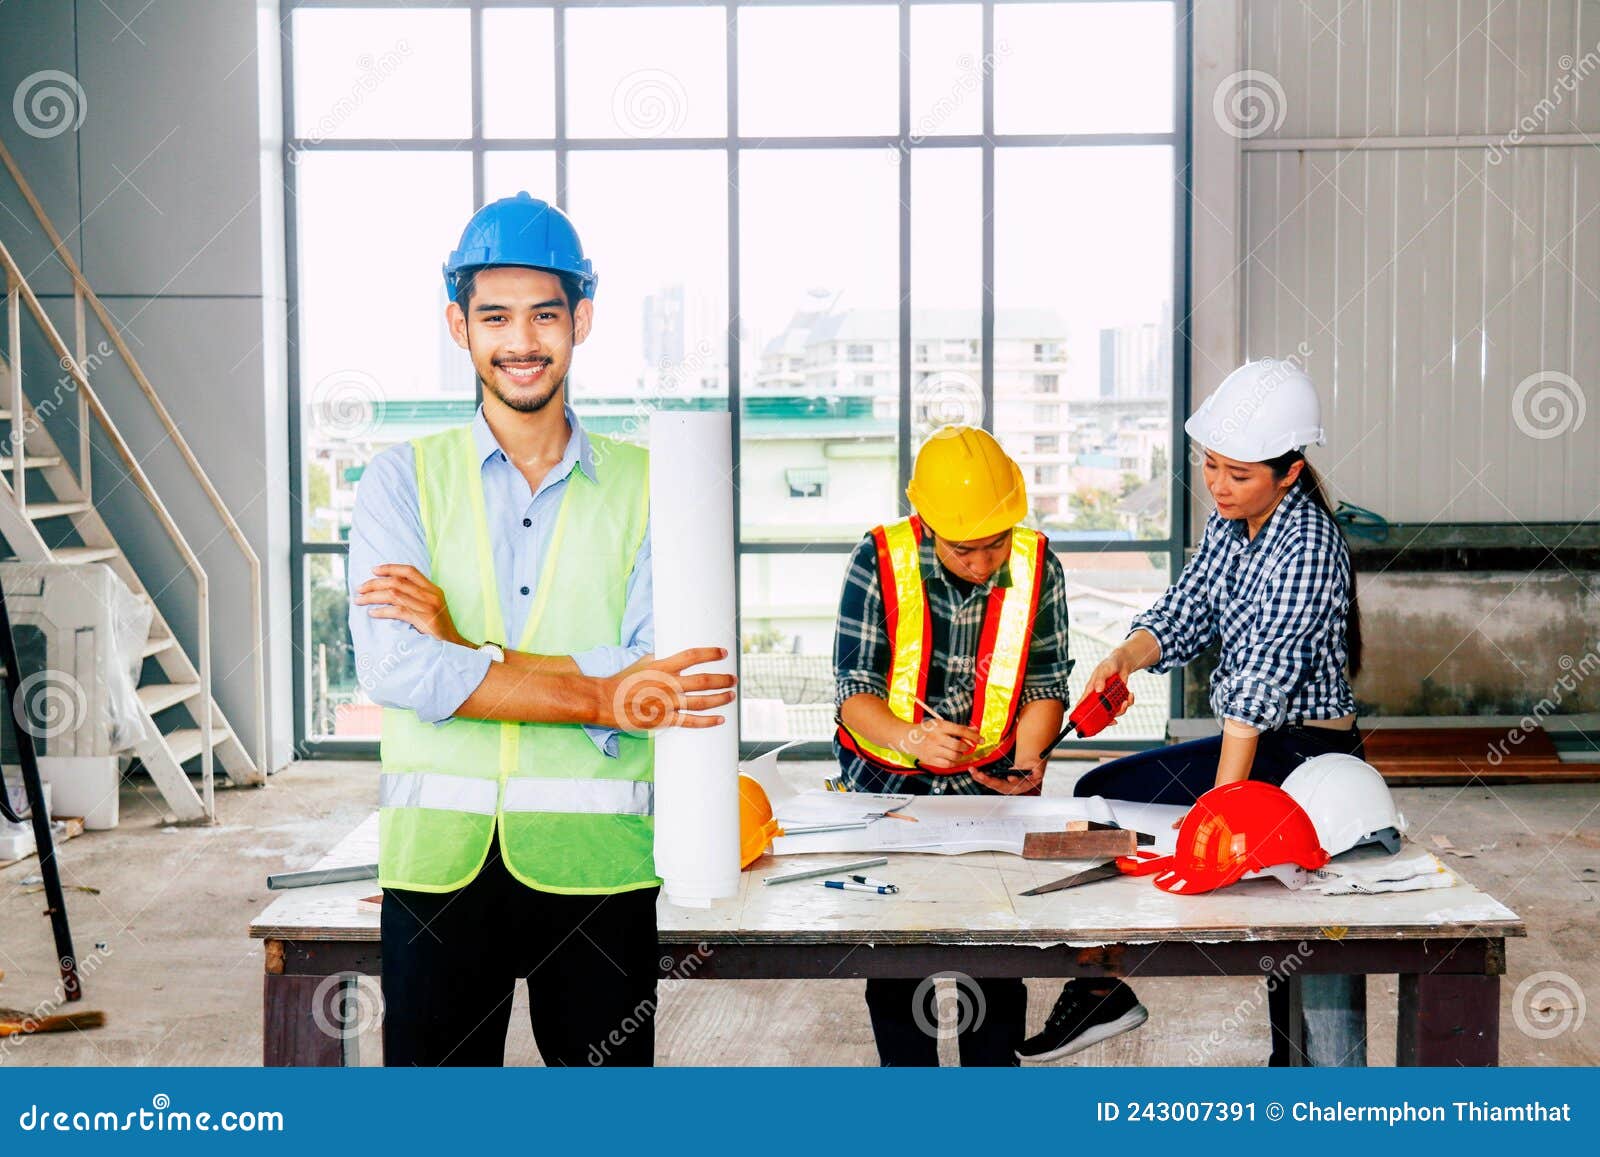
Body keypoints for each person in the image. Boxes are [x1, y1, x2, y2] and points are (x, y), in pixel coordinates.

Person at [347, 192, 735, 1067]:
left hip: (598, 868)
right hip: (438, 870)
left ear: (581, 320)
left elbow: (656, 679)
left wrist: (472, 654)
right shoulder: (399, 480)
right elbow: (401, 669)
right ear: (460, 325)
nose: (520, 340)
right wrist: (599, 691)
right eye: (494, 316)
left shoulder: (653, 485)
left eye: (543, 315)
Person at [1018, 358, 1366, 1066]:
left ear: (1290, 472)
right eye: (1212, 465)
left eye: (1240, 474)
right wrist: (1124, 656)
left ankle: (1324, 1092)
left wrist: (1219, 808)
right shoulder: (1230, 524)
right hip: (1263, 742)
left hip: (1309, 761)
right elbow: (1188, 609)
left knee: (1305, 931)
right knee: (1098, 794)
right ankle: (1103, 987)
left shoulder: (1306, 546)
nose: (1219, 485)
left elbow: (1257, 690)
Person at [833, 425, 1074, 1066]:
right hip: (888, 795)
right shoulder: (879, 559)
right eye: (965, 548)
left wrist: (1028, 765)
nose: (982, 562)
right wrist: (912, 737)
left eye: (994, 544)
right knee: (897, 969)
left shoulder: (1036, 561)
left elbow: (1046, 685)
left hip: (991, 799)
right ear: (926, 519)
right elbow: (853, 691)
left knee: (995, 968)